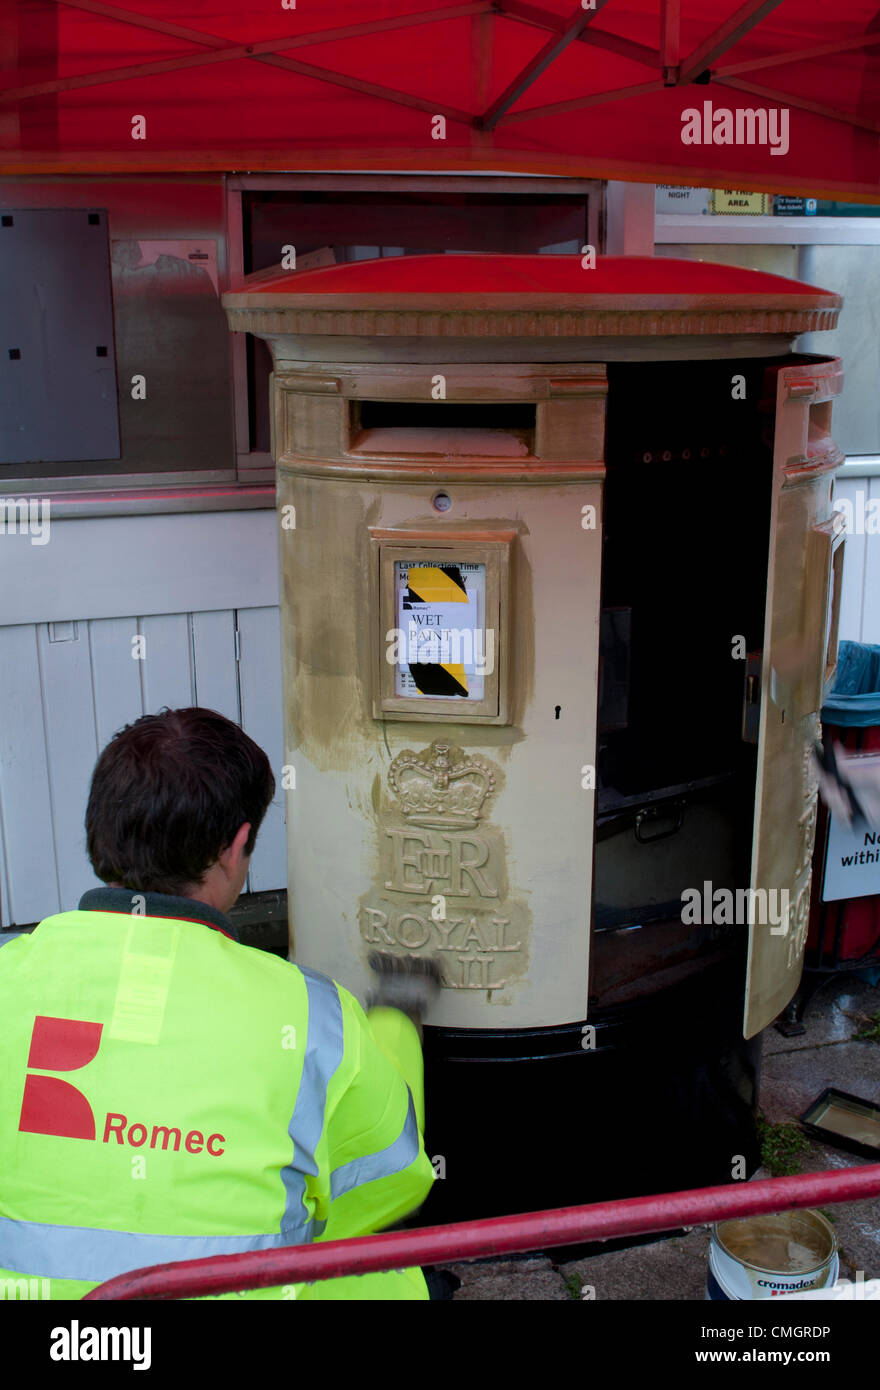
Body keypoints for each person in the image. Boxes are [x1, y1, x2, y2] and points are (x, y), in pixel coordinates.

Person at [0, 707, 436, 1300]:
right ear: (235, 848)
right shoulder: (312, 1016)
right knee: (392, 1280)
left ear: (96, 832)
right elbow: (392, 1182)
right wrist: (390, 1026)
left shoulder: (9, 977)